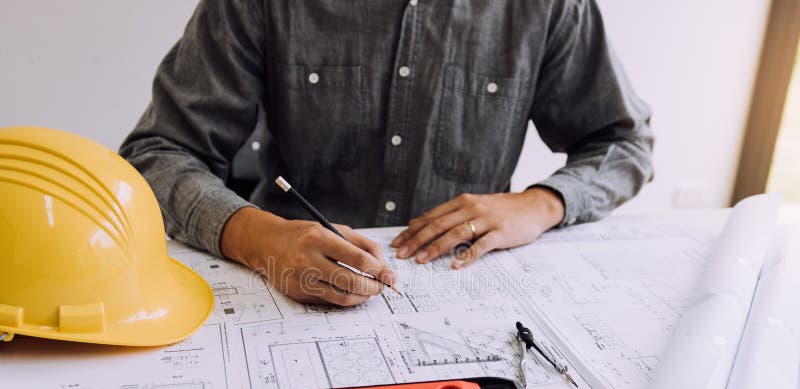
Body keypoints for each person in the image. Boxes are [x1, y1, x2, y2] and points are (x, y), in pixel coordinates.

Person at [120, 0, 653, 307]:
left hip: (465, 295)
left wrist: (541, 204)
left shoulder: (549, 7)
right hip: (281, 288)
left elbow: (624, 144)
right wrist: (254, 237)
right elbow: (158, 152)